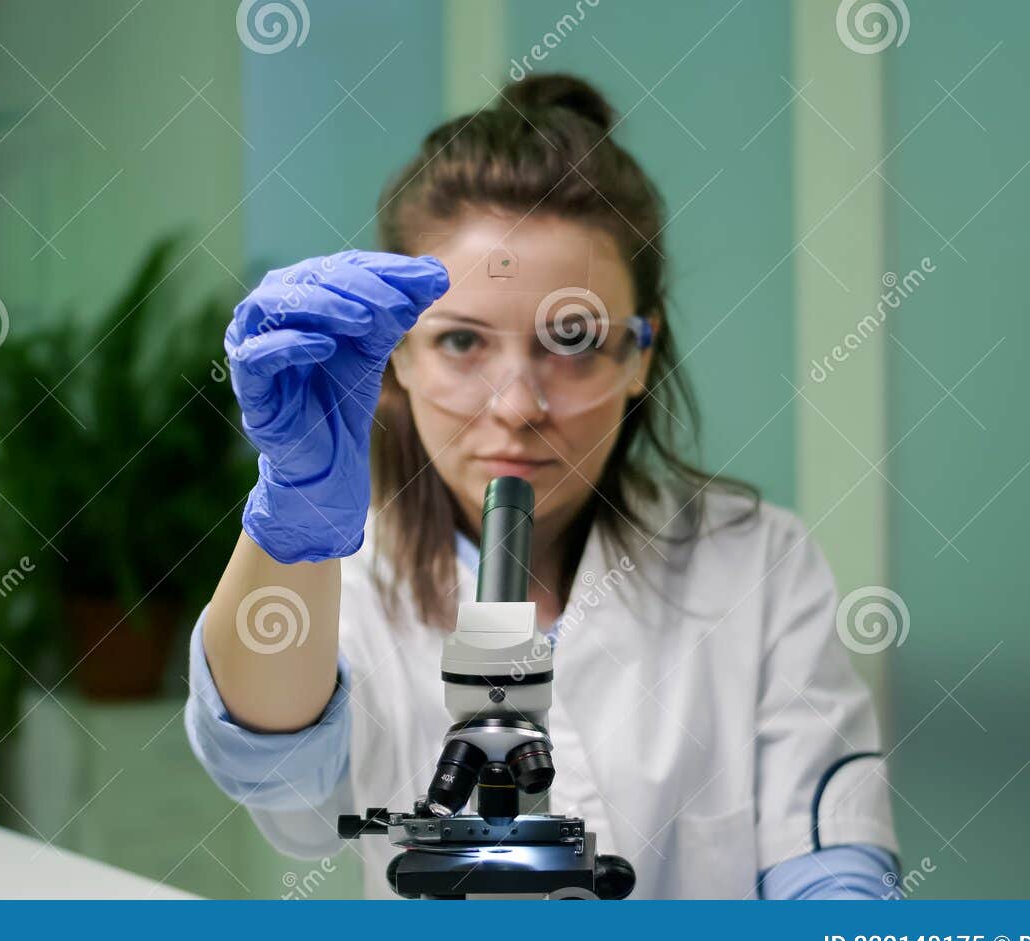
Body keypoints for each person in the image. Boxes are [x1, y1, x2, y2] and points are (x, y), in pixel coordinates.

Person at [185, 73, 899, 899]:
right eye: (460, 342)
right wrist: (294, 533)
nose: (518, 407)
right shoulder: (335, 583)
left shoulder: (754, 559)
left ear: (639, 355)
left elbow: (827, 852)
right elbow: (279, 783)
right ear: (398, 358)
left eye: (574, 340)